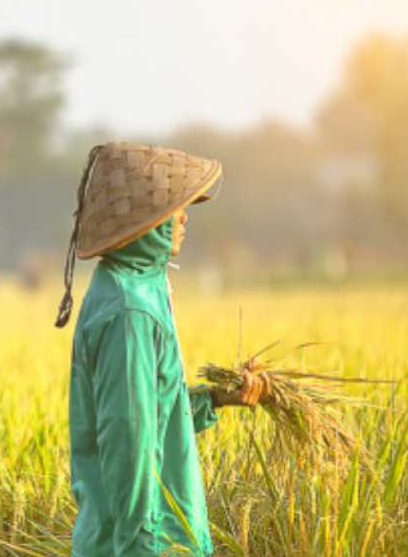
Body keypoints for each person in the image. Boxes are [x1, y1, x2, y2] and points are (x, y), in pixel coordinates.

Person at [54, 143, 266, 556]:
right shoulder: (129, 310)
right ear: (145, 223)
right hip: (147, 543)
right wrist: (141, 545)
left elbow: (154, 412)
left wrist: (218, 397)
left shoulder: (130, 286)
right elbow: (128, 440)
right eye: (175, 209)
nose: (185, 217)